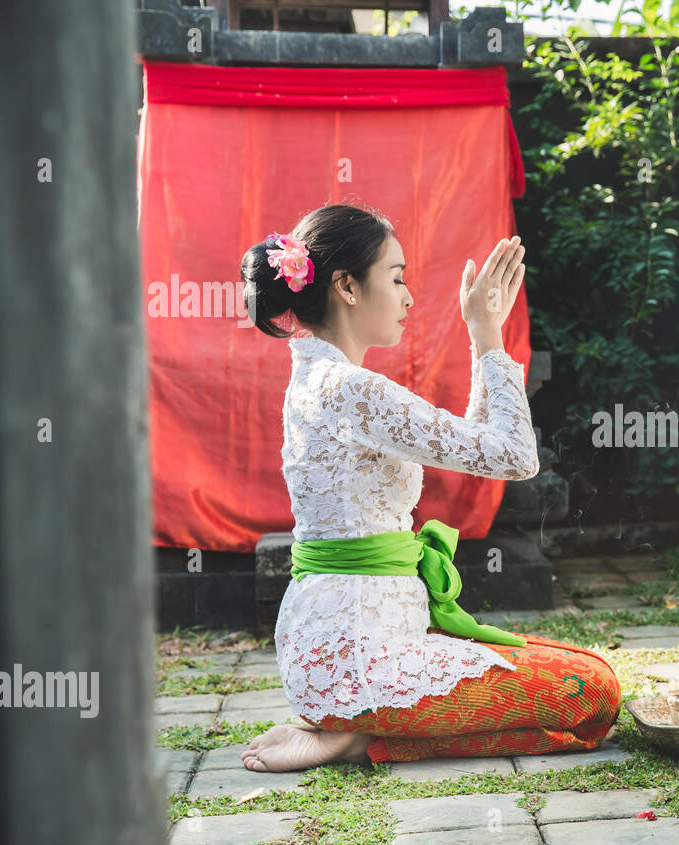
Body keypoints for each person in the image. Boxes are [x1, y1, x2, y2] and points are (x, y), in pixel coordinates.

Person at [236, 202, 621, 772]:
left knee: (564, 663)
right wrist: (489, 334)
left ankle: (351, 728)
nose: (409, 297)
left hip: (332, 649)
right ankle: (360, 734)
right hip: (357, 659)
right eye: (396, 278)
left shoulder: (322, 379)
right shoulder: (351, 390)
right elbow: (515, 456)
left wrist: (478, 335)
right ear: (345, 286)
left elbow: (480, 446)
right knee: (591, 689)